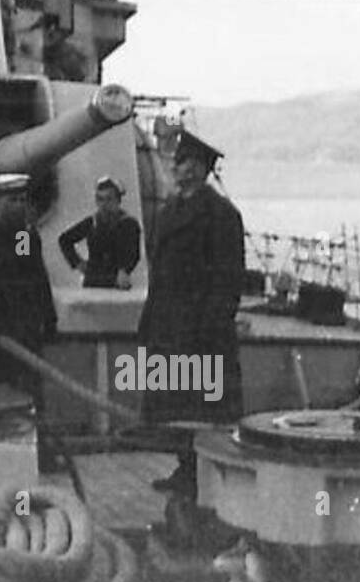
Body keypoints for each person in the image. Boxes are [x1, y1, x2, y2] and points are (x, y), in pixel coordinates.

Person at [137, 129, 246, 496]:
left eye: (186, 163)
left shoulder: (220, 215)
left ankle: (199, 477)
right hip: (169, 325)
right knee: (175, 407)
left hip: (200, 332)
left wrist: (210, 328)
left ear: (201, 169)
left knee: (201, 410)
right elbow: (159, 273)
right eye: (178, 162)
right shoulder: (172, 210)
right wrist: (149, 322)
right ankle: (184, 470)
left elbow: (228, 281)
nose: (179, 168)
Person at [0, 173, 58, 402]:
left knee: (30, 390)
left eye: (22, 200)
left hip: (26, 327)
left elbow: (35, 275)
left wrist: (49, 318)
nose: (19, 206)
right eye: (13, 200)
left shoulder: (23, 237)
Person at [57, 176, 142, 289]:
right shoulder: (93, 222)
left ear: (118, 200)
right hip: (93, 280)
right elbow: (64, 239)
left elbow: (133, 254)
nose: (104, 204)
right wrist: (78, 263)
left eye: (109, 199)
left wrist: (125, 270)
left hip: (116, 281)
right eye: (100, 199)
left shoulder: (128, 224)